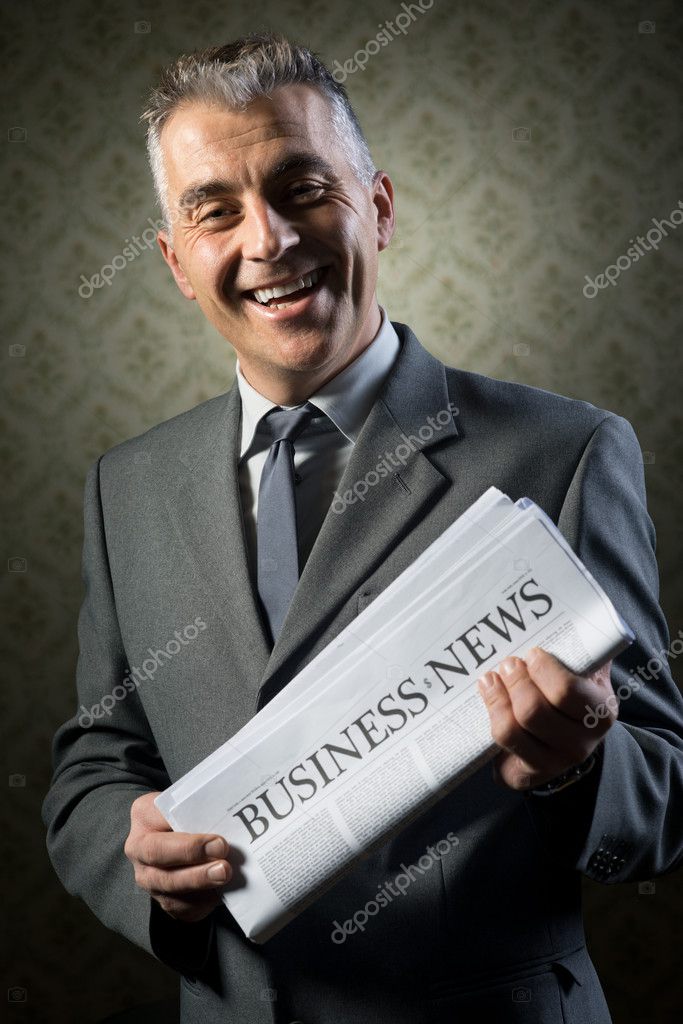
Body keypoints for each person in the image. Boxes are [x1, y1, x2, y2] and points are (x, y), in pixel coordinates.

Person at [42, 32, 683, 1024]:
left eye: (301, 188)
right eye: (215, 211)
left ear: (377, 209)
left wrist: (581, 767)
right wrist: (140, 867)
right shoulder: (125, 485)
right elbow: (96, 763)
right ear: (175, 260)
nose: (268, 240)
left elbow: (668, 786)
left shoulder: (566, 451)